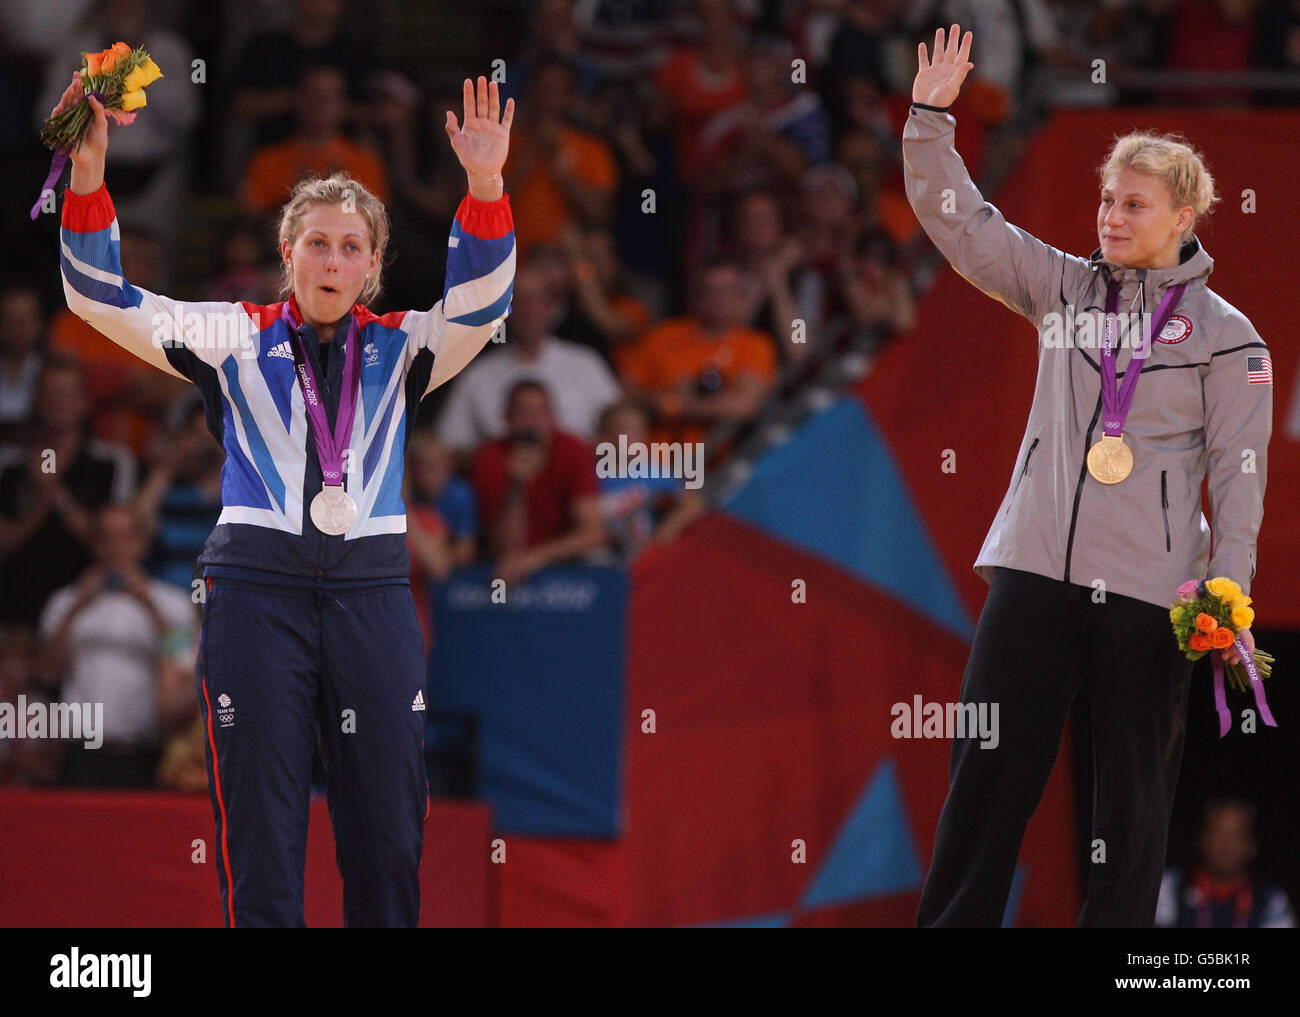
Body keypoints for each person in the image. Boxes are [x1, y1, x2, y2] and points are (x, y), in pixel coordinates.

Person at [53, 71, 516, 927]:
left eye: (349, 246)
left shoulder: (408, 347)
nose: (332, 259)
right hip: (255, 595)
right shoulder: (231, 336)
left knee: (385, 832)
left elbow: (484, 307)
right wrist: (88, 177)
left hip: (371, 595)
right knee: (261, 835)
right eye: (316, 242)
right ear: (287, 254)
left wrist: (484, 188)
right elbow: (98, 296)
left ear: (374, 266)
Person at [906, 26, 1270, 927]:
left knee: (1131, 803)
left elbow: (1238, 468)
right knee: (986, 770)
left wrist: (1229, 582)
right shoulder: (1064, 287)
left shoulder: (1230, 337)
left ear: (1185, 218)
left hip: (1149, 588)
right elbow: (964, 224)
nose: (1111, 218)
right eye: (1108, 200)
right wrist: (928, 120)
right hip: (1033, 567)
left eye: (1134, 205)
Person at [36, 503, 198, 788]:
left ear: (142, 542)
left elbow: (187, 667)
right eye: (106, 537)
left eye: (125, 537)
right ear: (95, 542)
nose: (115, 547)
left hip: (142, 754)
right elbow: (46, 674)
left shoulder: (173, 604)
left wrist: (152, 611)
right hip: (79, 752)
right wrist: (76, 609)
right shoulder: (63, 602)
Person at [471, 379, 606, 587]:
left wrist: (535, 558)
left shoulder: (572, 449)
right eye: (523, 414)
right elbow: (503, 546)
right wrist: (516, 484)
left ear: (553, 417)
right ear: (507, 418)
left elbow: (592, 533)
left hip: (566, 564)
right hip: (506, 565)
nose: (532, 422)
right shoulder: (490, 457)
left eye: (539, 413)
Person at [1155, 798, 1296, 928]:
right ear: (1200, 839)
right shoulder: (1170, 885)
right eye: (1217, 833)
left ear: (1252, 846)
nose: (1226, 845)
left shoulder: (1271, 899)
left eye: (1237, 836)